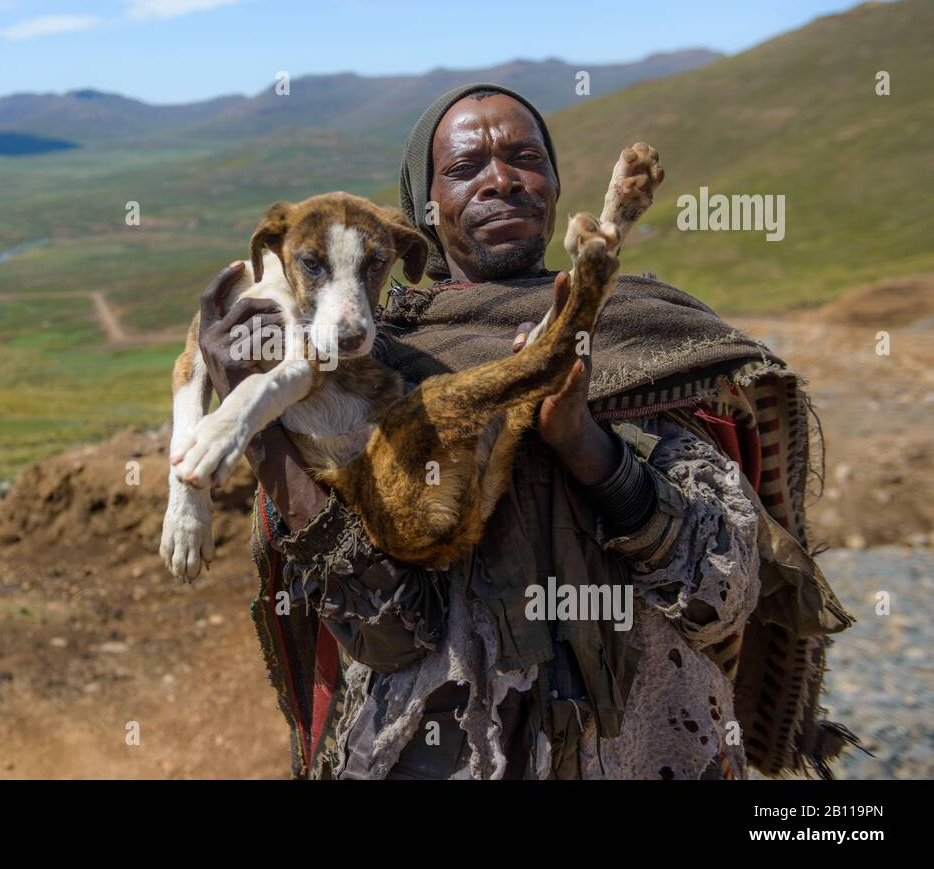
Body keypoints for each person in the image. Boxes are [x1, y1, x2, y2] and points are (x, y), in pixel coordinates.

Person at [198, 84, 854, 779]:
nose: (501, 179)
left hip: (644, 751)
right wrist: (259, 426)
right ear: (421, 211)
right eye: (464, 167)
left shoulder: (642, 335)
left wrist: (587, 446)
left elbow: (718, 594)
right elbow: (385, 634)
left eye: (523, 157)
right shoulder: (362, 371)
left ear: (554, 184)